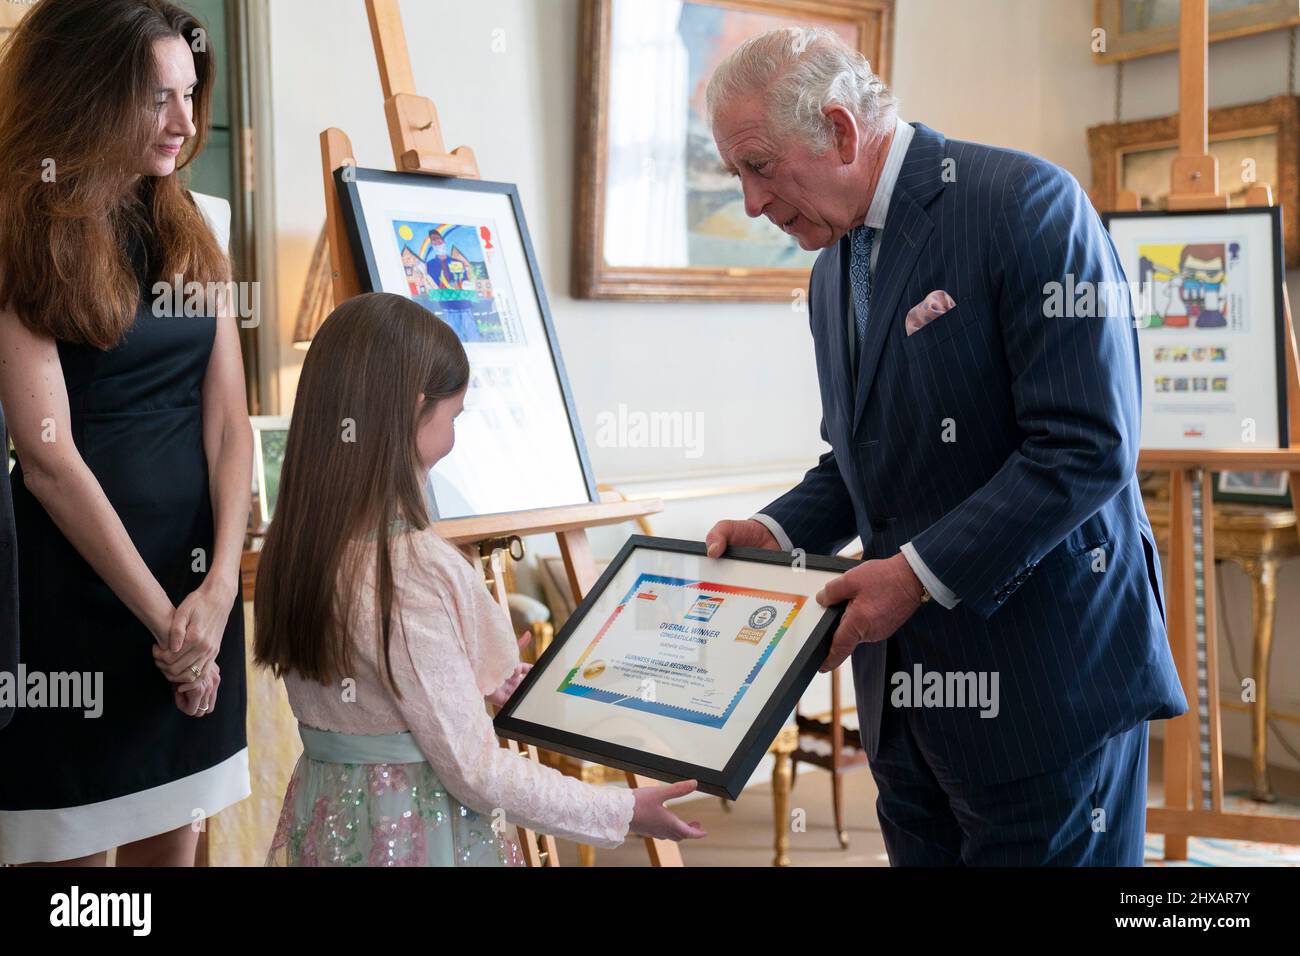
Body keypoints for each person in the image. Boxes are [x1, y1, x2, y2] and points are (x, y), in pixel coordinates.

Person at [704, 28, 1186, 866]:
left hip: (1047, 689)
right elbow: (861, 463)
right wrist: (778, 533)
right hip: (906, 711)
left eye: (758, 166)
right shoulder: (829, 270)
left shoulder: (1027, 204)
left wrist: (918, 576)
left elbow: (1086, 446)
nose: (750, 203)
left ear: (841, 132)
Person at [256, 292, 705, 866]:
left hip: (332, 821)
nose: (456, 434)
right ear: (417, 409)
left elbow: (381, 693)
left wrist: (461, 681)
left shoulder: (295, 545)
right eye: (454, 415)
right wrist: (620, 809)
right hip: (419, 833)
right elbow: (476, 772)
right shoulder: (411, 569)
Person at [0, 0, 251, 866]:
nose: (185, 123)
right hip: (77, 597)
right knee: (79, 887)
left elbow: (228, 423)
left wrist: (215, 596)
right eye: (156, 98)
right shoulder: (16, 232)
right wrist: (169, 628)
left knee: (169, 856)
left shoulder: (201, 221)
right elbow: (46, 455)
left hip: (198, 596)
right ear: (85, 95)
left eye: (190, 92)